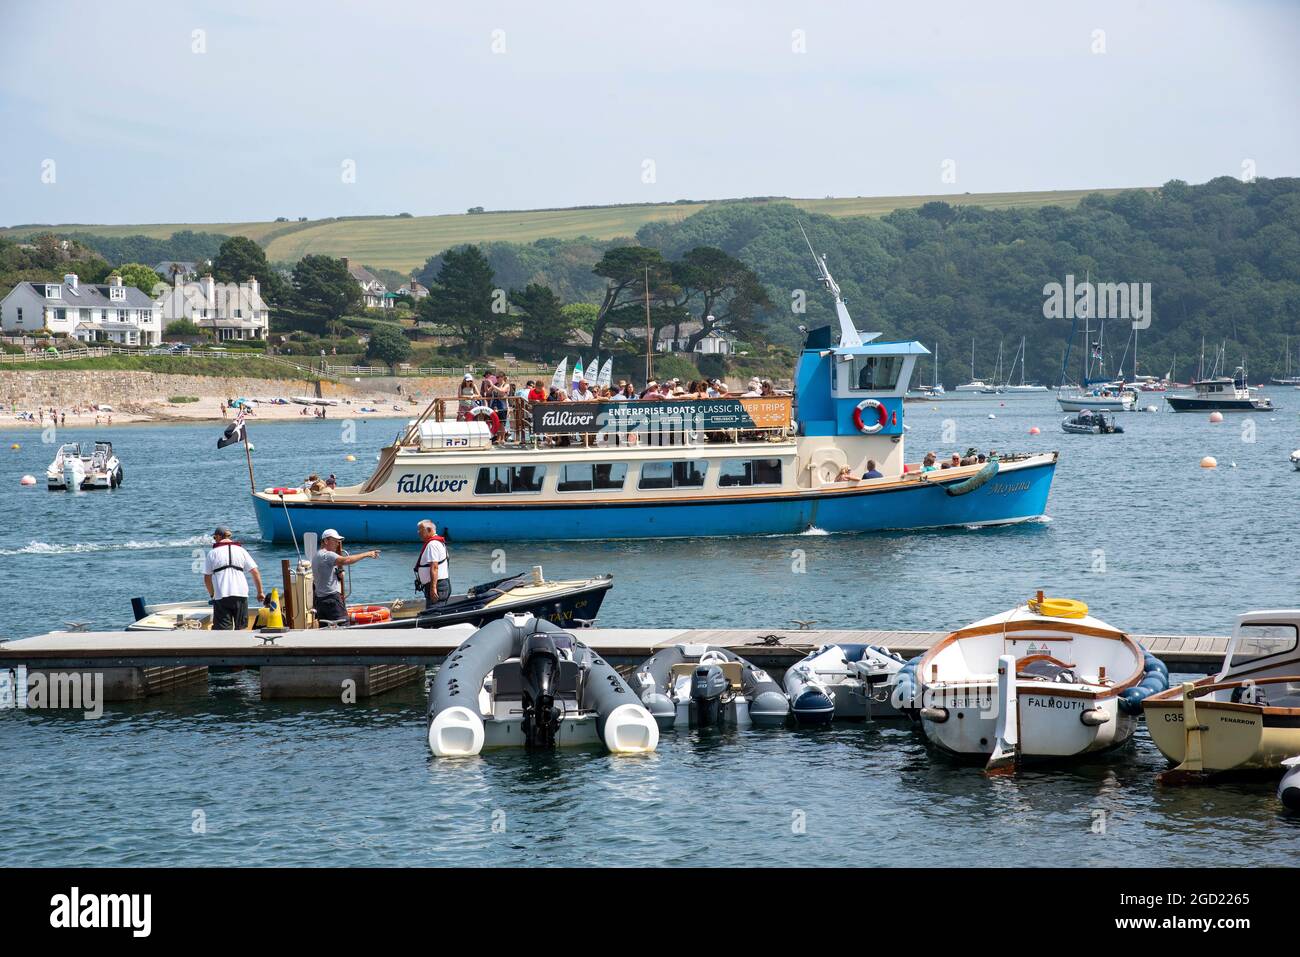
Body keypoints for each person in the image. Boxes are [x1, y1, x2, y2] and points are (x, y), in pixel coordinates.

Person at [311, 529, 380, 626]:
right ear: (326, 541)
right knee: (344, 625)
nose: (337, 544)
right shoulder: (328, 555)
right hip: (332, 600)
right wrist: (367, 554)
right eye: (335, 541)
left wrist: (338, 573)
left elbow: (325, 574)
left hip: (320, 601)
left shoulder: (317, 556)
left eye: (338, 542)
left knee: (325, 628)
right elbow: (346, 560)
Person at [203, 526, 264, 630]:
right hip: (241, 593)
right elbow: (255, 572)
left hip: (221, 595)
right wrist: (260, 592)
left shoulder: (212, 553)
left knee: (223, 631)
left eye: (214, 537)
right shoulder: (241, 550)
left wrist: (213, 594)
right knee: (241, 628)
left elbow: (207, 578)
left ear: (218, 537)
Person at [414, 520, 451, 606]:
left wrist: (433, 588)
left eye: (421, 530)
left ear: (429, 530)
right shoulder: (438, 542)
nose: (418, 532)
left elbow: (434, 567)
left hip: (438, 586)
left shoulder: (432, 544)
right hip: (441, 585)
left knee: (434, 613)